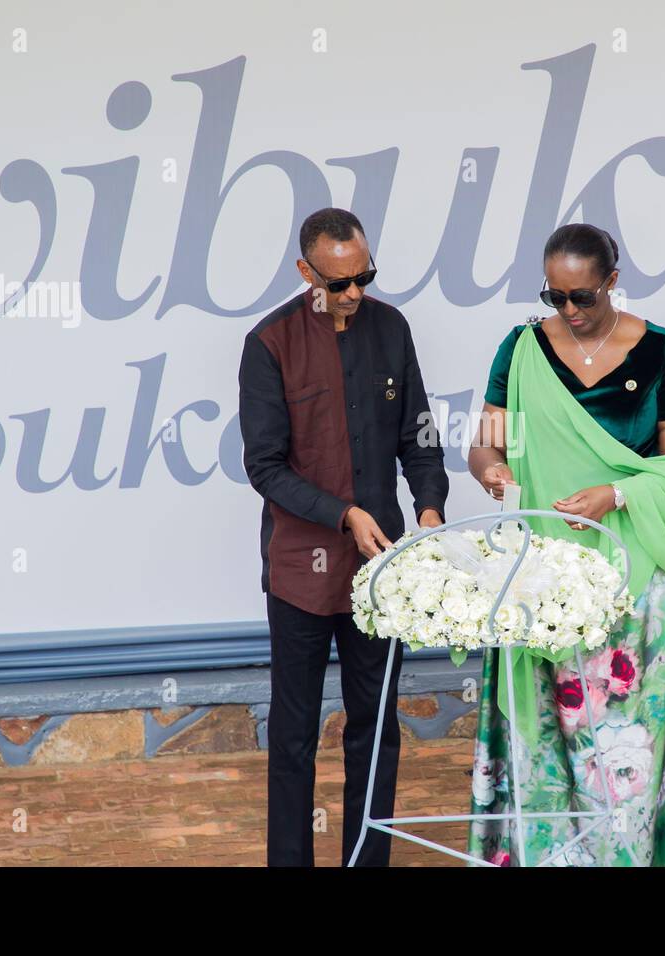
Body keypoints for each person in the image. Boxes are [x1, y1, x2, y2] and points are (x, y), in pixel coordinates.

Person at [464, 222, 665, 866]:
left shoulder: (663, 352)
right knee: (556, 735)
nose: (568, 311)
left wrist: (614, 495)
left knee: (630, 743)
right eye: (555, 296)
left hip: (636, 579)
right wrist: (491, 469)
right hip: (545, 575)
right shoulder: (522, 348)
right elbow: (486, 443)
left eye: (583, 296)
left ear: (612, 282)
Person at [238, 207, 449, 866]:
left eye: (364, 276)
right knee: (295, 737)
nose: (355, 293)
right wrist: (344, 515)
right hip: (302, 573)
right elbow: (264, 467)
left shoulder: (392, 328)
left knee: (376, 729)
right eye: (340, 283)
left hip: (382, 571)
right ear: (307, 273)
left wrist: (431, 510)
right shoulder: (269, 343)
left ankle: (367, 860)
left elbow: (418, 433)